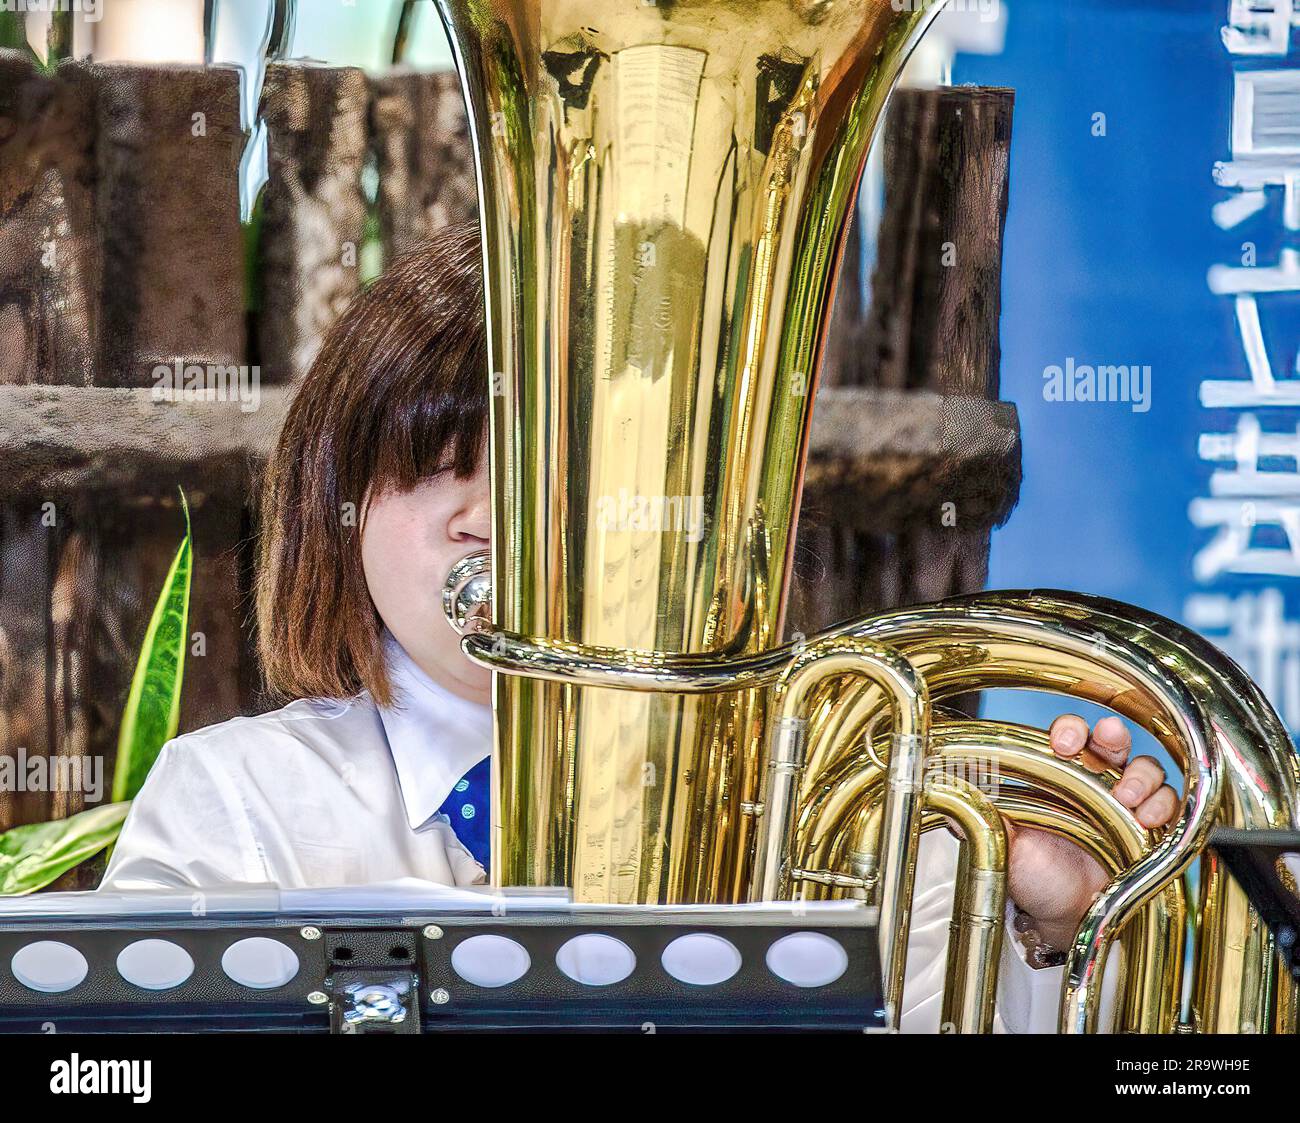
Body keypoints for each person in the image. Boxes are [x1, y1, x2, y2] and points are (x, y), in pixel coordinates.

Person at [101, 220, 1179, 1031]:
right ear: (335, 505)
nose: (485, 521)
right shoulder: (233, 807)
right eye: (434, 471)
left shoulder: (853, 818)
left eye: (549, 476)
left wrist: (1060, 930)